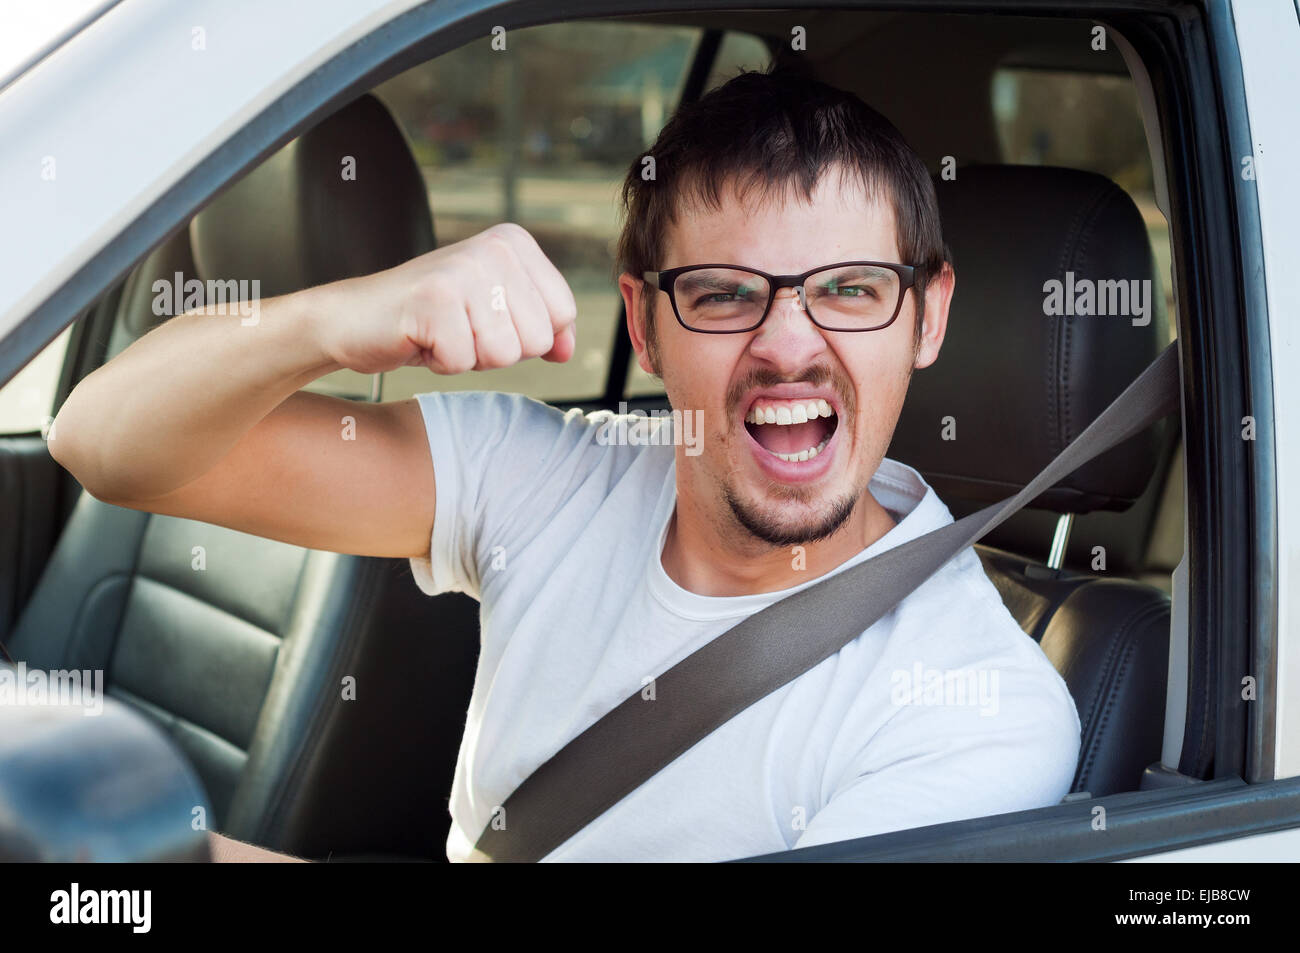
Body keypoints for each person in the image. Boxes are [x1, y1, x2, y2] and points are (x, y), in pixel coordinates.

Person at [50, 67, 1079, 863]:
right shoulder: (552, 476)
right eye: (723, 292)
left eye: (850, 289)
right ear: (644, 321)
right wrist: (335, 318)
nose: (788, 343)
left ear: (926, 315)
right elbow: (99, 438)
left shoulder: (975, 714)